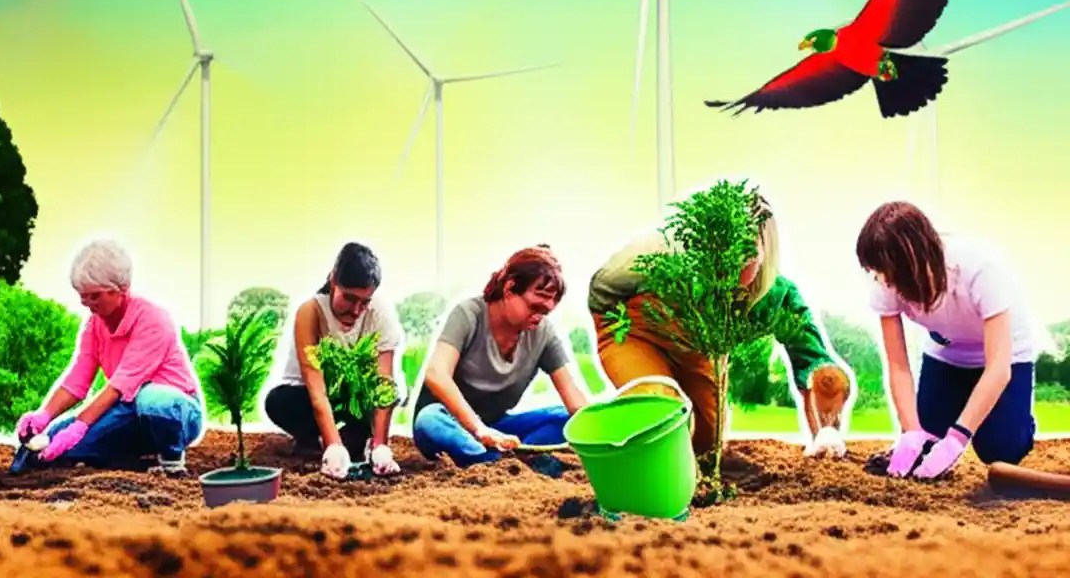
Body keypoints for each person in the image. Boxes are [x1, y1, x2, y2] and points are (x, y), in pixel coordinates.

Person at [588, 187, 854, 459]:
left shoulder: (774, 297)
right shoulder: (659, 257)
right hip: (639, 336)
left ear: (764, 253)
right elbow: (602, 288)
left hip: (699, 351)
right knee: (660, 407)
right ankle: (636, 472)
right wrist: (621, 326)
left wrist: (826, 431)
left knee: (707, 445)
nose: (729, 268)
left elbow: (812, 358)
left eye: (745, 257)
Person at [857, 201, 1041, 479]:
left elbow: (998, 369)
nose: (885, 284)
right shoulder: (886, 281)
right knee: (925, 446)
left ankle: (1020, 423)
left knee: (1000, 449)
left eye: (892, 276)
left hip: (1005, 358)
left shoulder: (980, 270)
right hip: (948, 356)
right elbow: (897, 366)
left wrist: (958, 437)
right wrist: (911, 433)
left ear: (915, 264)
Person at [13, 236, 204, 477]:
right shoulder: (94, 326)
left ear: (120, 290)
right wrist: (44, 415)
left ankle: (172, 461)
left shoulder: (153, 320)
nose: (87, 303)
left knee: (153, 400)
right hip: (127, 409)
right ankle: (133, 457)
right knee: (55, 446)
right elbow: (77, 381)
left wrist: (81, 424)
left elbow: (120, 385)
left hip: (175, 410)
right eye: (82, 296)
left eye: (95, 296)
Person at [413, 245, 588, 467]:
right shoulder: (469, 314)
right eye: (535, 305)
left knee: (566, 419)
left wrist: (604, 435)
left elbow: (571, 393)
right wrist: (479, 430)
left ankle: (511, 460)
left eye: (546, 310)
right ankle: (495, 462)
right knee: (429, 420)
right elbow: (436, 373)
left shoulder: (543, 333)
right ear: (509, 287)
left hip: (498, 428)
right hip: (452, 426)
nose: (539, 316)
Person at [263, 242, 405, 479]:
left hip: (356, 400)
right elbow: (315, 386)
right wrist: (333, 445)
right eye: (349, 299)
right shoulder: (311, 312)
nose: (356, 310)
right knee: (279, 401)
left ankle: (355, 441)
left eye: (364, 302)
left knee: (390, 394)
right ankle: (325, 441)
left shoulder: (380, 314)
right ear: (333, 281)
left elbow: (383, 383)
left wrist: (381, 445)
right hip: (310, 397)